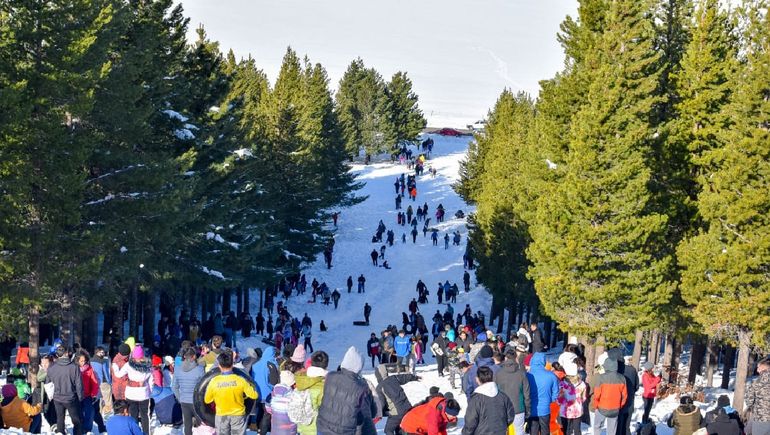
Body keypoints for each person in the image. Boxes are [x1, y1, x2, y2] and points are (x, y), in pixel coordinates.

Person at [316, 346, 377, 435]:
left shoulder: (330, 376)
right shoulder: (361, 388)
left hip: (322, 427)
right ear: (359, 367)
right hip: (343, 431)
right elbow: (367, 416)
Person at [204, 350, 258, 435]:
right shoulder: (241, 380)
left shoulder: (213, 382)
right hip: (238, 415)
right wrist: (243, 395)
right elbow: (254, 395)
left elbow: (207, 400)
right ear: (233, 364)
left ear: (219, 366)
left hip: (221, 415)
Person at [113, 345, 153, 435]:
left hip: (131, 393)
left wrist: (115, 367)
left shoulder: (128, 365)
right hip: (144, 394)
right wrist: (149, 391)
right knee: (145, 415)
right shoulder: (148, 366)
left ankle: (134, 432)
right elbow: (151, 380)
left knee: (133, 415)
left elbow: (119, 375)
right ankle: (146, 433)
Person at [463, 366, 515, 434]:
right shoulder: (503, 396)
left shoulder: (475, 399)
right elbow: (510, 416)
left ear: (477, 379)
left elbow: (470, 423)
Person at [47, 346, 83, 435]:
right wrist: (80, 397)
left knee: (60, 419)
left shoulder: (51, 367)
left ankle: (61, 433)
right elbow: (79, 384)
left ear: (57, 354)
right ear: (66, 353)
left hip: (57, 398)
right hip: (71, 398)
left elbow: (48, 384)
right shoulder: (74, 367)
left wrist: (51, 396)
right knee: (76, 420)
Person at [495, 349, 531, 435]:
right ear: (516, 358)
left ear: (506, 358)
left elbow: (495, 391)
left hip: (502, 407)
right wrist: (528, 410)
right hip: (518, 407)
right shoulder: (522, 374)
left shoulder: (498, 373)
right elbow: (527, 394)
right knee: (519, 431)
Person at [592, 353, 628, 435]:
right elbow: (624, 396)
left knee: (597, 426)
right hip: (615, 408)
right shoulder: (622, 378)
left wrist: (596, 405)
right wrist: (620, 405)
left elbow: (597, 394)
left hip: (602, 407)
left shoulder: (601, 377)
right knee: (612, 430)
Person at [294, 351, 328, 435]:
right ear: (326, 365)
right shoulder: (324, 384)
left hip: (301, 426)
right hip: (316, 428)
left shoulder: (301, 379)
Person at [172, 348, 204, 435]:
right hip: (197, 402)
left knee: (187, 425)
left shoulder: (177, 369)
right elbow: (204, 387)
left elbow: (174, 387)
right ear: (193, 357)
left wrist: (180, 398)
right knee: (201, 426)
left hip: (184, 401)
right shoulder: (200, 369)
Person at [527, 352, 559, 435]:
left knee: (533, 430)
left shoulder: (527, 375)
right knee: (545, 430)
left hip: (532, 408)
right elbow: (556, 392)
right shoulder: (551, 375)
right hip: (545, 408)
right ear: (544, 361)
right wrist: (550, 400)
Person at [556, 360, 586, 435]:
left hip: (565, 411)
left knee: (566, 430)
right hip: (578, 410)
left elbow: (559, 400)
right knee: (577, 430)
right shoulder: (582, 383)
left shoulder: (562, 384)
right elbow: (583, 398)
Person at [76, 350, 99, 433]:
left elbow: (94, 382)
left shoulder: (89, 369)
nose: (83, 362)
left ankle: (87, 429)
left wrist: (94, 394)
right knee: (78, 413)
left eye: (84, 360)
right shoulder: (74, 369)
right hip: (77, 395)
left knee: (89, 412)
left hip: (87, 395)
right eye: (81, 361)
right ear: (77, 361)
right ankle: (79, 428)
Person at [746, 358, 770, 435]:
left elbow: (749, 402)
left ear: (763, 368)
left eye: (758, 368)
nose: (757, 370)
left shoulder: (755, 383)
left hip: (760, 419)